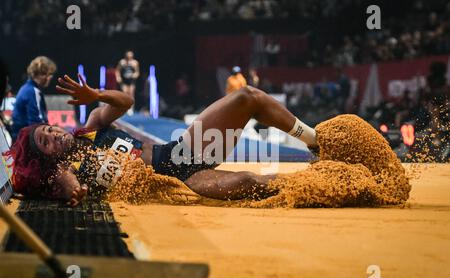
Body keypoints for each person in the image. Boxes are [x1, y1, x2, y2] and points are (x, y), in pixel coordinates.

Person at [7, 74, 318, 206]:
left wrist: (97, 95)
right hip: (184, 180)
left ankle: (314, 140)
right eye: (46, 142)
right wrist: (77, 193)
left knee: (247, 97)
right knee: (252, 181)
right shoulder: (63, 171)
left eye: (49, 129)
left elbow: (125, 102)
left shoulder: (87, 131)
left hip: (182, 151)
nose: (55, 135)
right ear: (46, 158)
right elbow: (70, 187)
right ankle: (321, 185)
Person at [11, 56, 57, 140]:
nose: (51, 77)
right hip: (23, 140)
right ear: (43, 74)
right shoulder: (32, 91)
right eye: (50, 74)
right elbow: (37, 124)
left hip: (19, 137)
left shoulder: (26, 88)